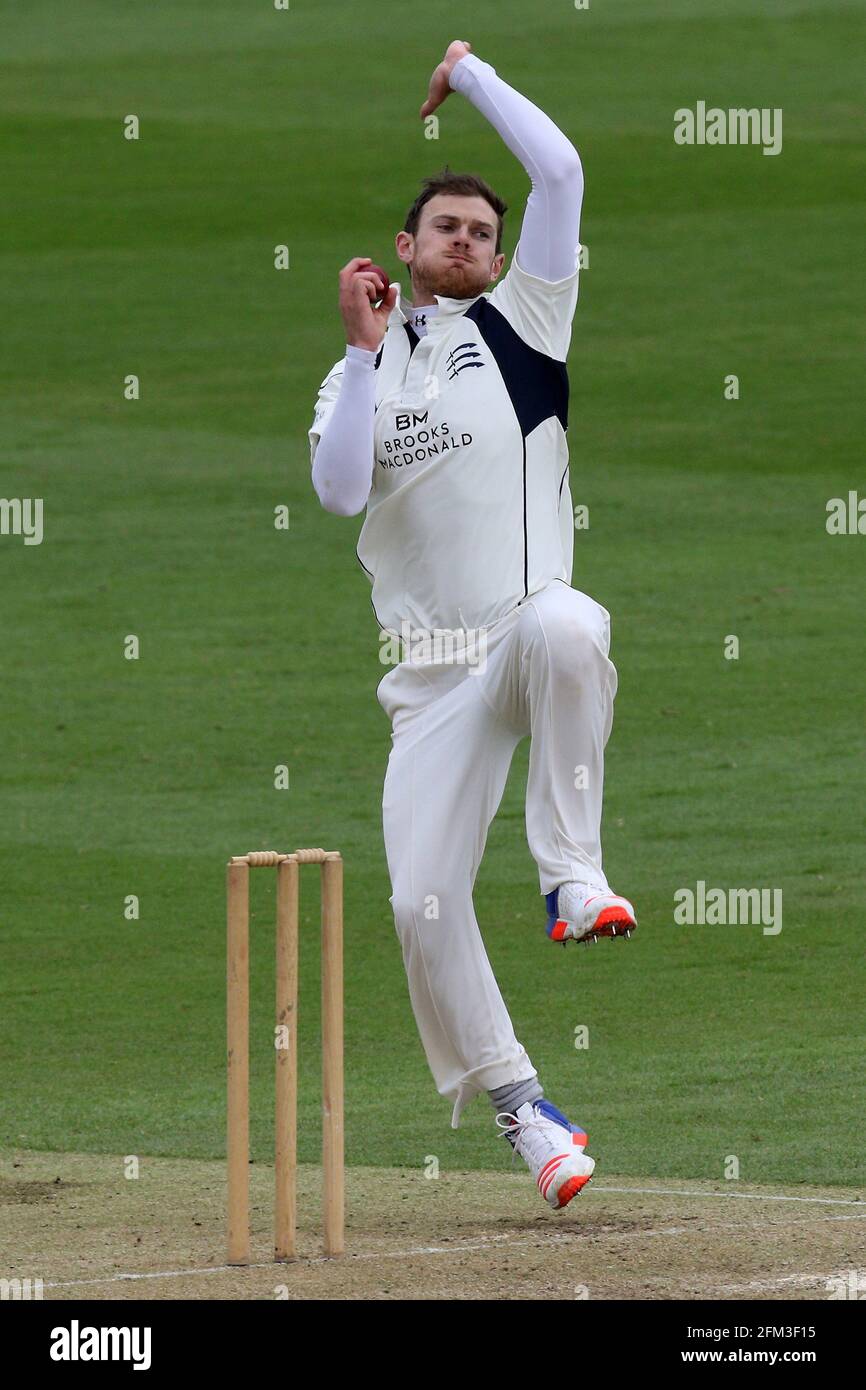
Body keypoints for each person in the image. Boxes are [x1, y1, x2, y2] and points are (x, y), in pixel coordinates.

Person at [309, 40, 637, 1210]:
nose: (463, 243)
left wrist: (471, 71)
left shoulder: (528, 324)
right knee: (418, 903)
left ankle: (571, 872)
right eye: (442, 227)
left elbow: (559, 171)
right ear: (403, 249)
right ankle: (525, 1112)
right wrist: (358, 356)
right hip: (427, 683)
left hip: (518, 635)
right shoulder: (365, 376)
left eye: (478, 234)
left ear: (500, 257)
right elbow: (341, 491)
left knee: (567, 620)